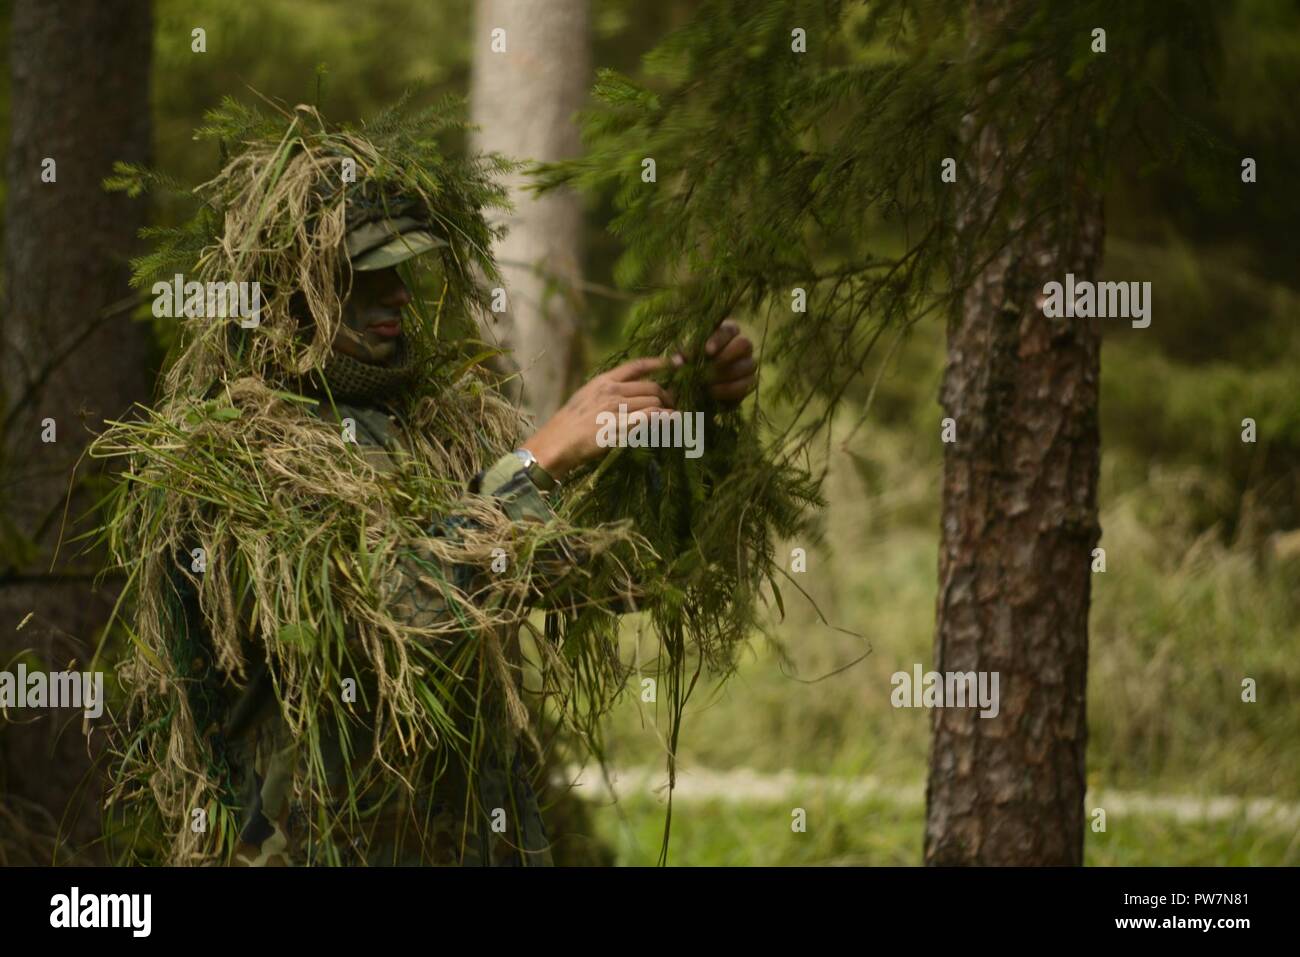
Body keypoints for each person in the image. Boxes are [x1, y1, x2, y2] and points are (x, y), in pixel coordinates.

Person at [93, 104, 757, 866]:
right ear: (290, 292)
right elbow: (383, 612)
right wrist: (536, 462)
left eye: (402, 271)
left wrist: (690, 423)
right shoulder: (234, 456)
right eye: (365, 278)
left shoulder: (438, 425)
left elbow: (613, 578)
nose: (400, 295)